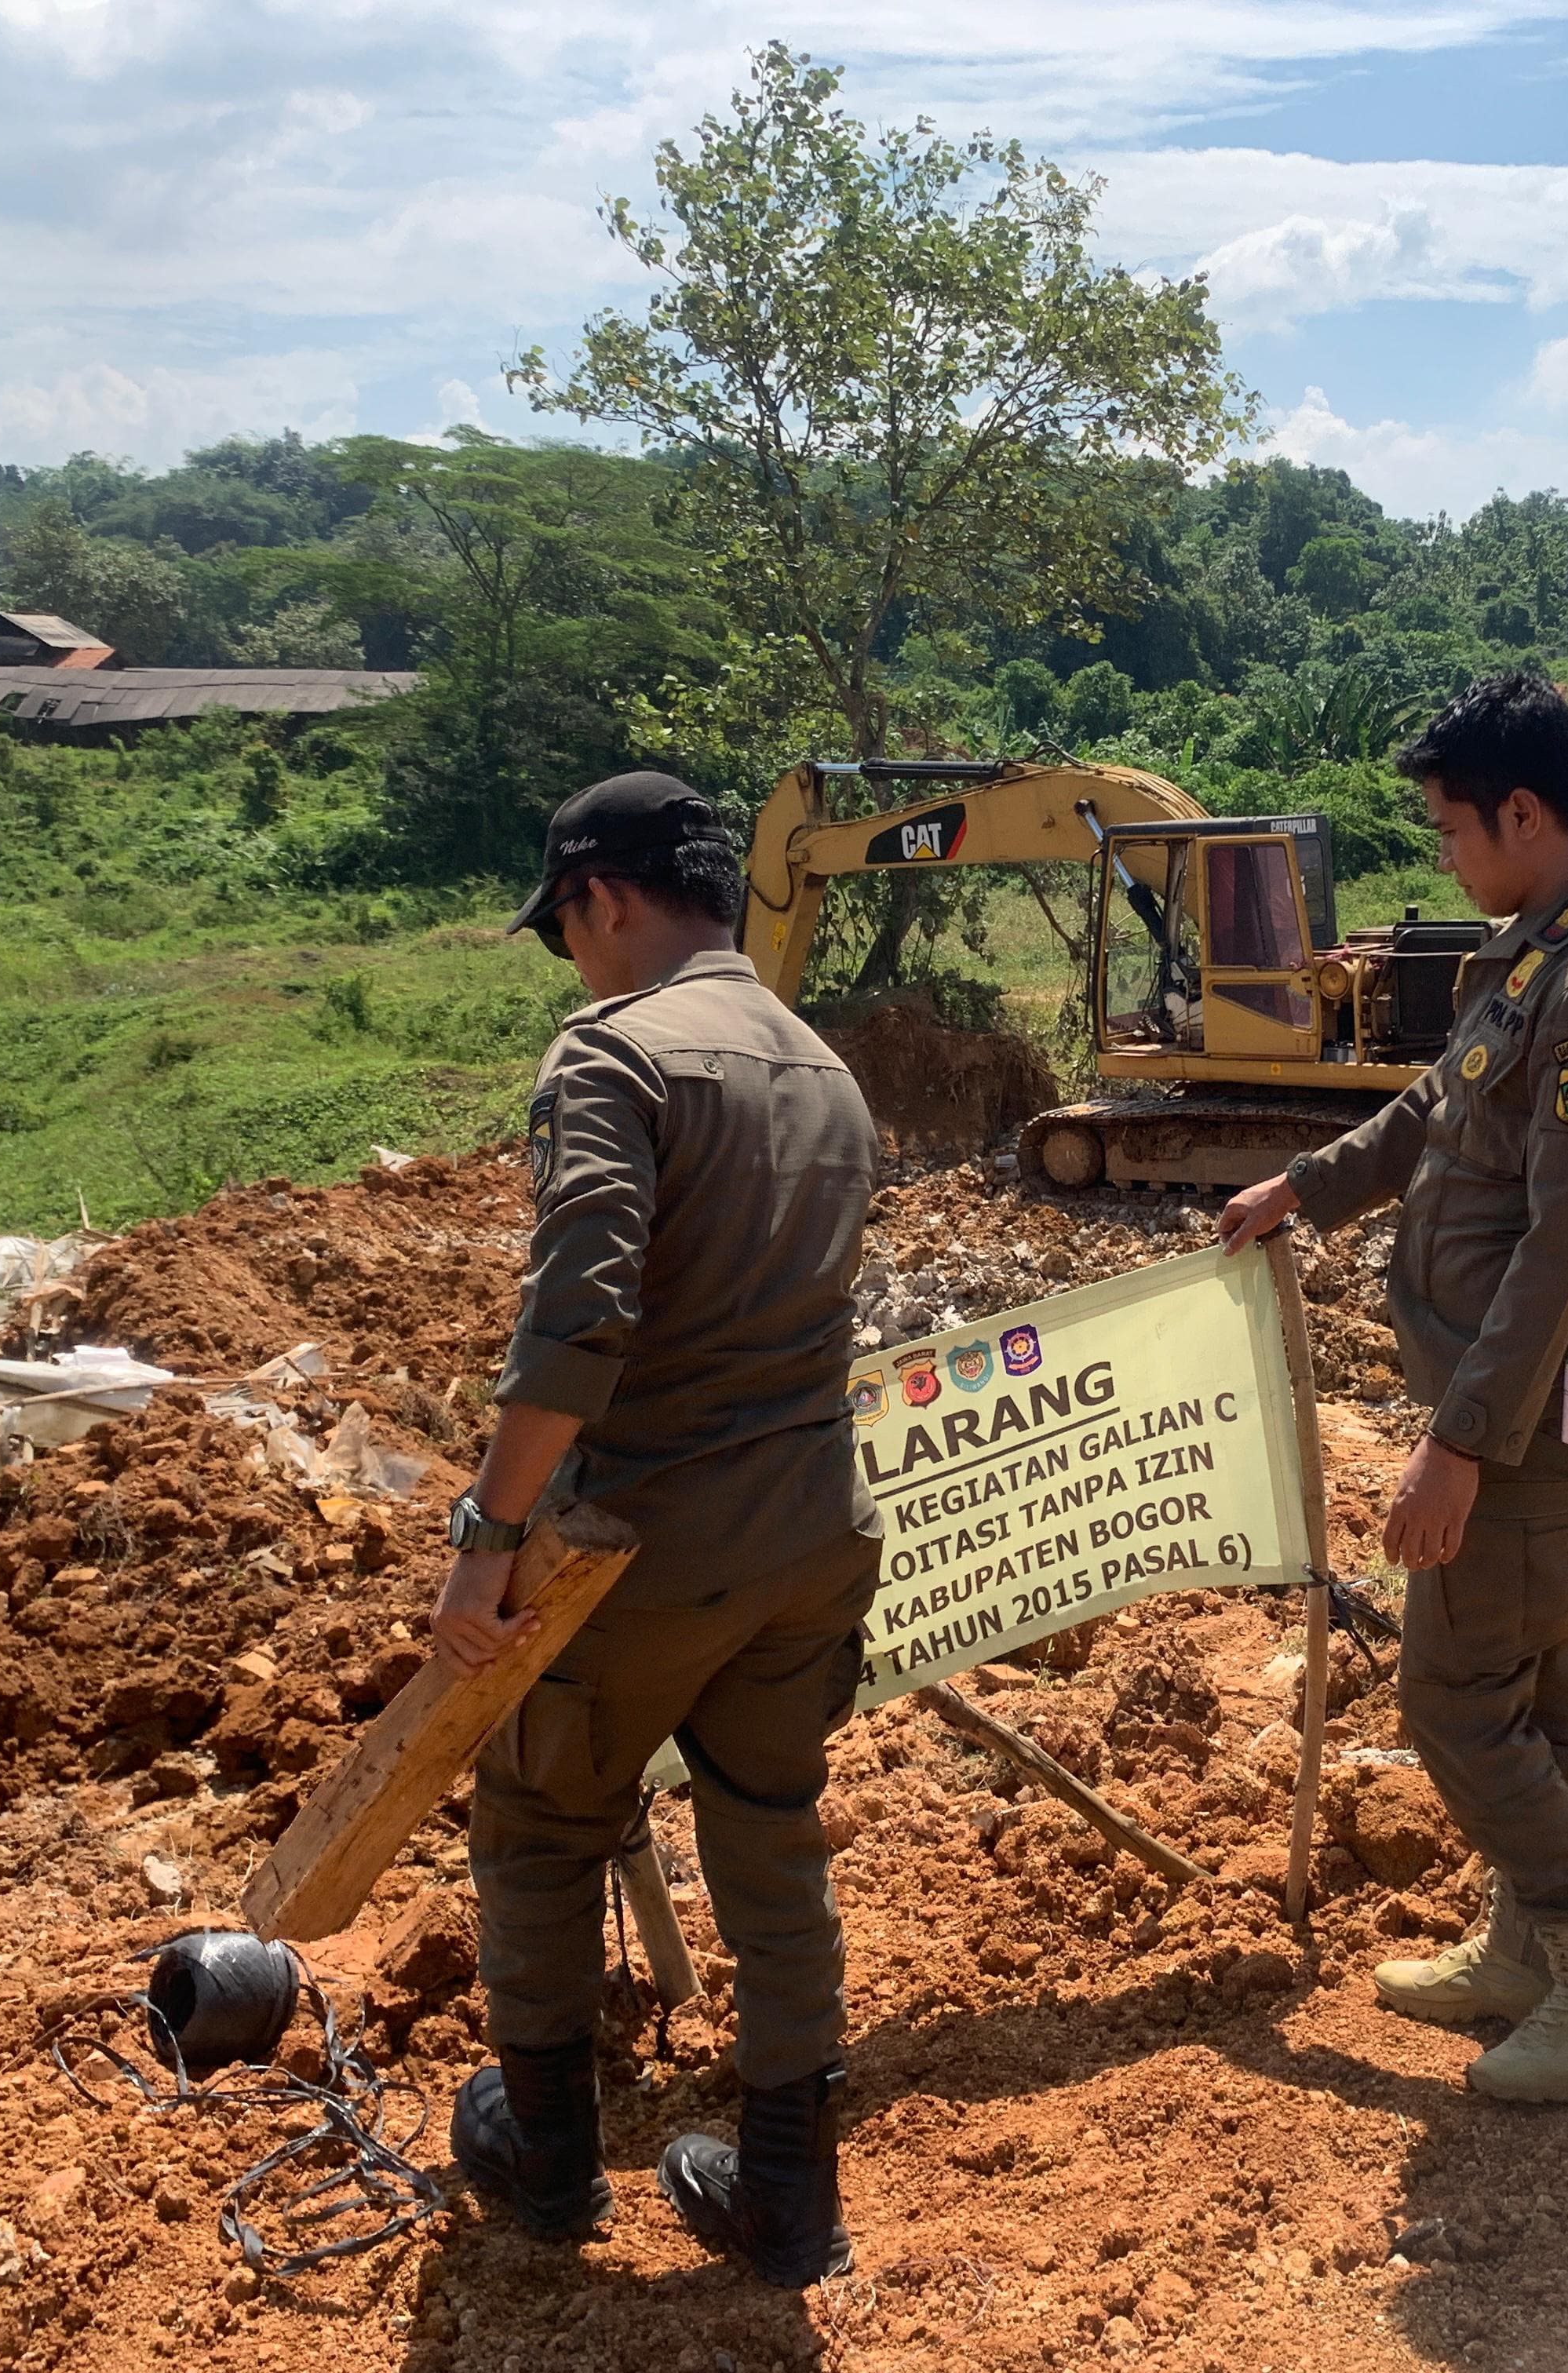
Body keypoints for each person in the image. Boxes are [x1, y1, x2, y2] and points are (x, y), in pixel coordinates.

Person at [430, 771, 881, 2287]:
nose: (575, 958)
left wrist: (488, 1535)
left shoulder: (612, 1058)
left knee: (543, 1819)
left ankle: (550, 2159)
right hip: (813, 1532)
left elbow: (577, 1324)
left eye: (567, 927)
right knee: (771, 1830)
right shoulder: (826, 1066)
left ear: (603, 901)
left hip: (647, 1546)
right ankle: (786, 2201)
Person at [1221, 665, 1568, 2102]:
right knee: (1540, 1670)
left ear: (1526, 811)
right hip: (1558, 1389)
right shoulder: (1538, 947)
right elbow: (1435, 1110)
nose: (1444, 852)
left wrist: (1461, 1447)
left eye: (1452, 827)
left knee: (1450, 1692)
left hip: (1553, 1398)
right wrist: (1307, 1184)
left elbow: (1557, 1251)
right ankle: (1529, 1943)